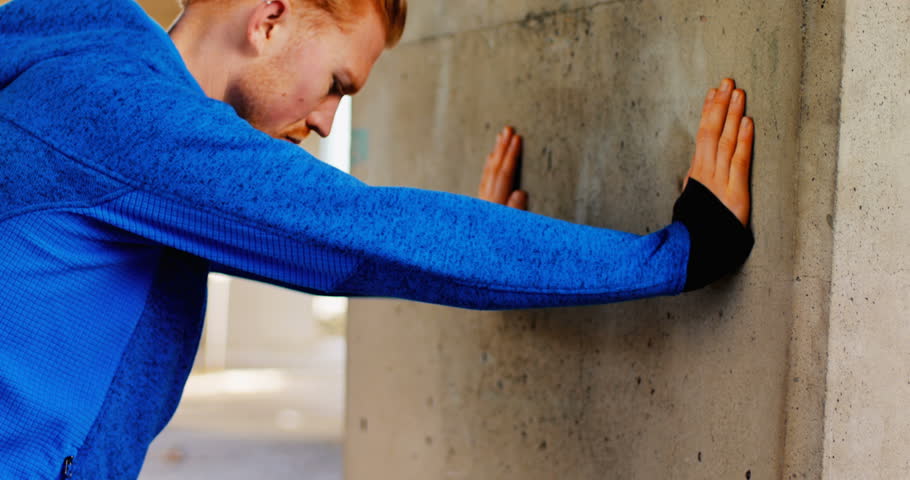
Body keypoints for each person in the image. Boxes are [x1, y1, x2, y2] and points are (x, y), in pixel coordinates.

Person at [0, 0, 754, 477]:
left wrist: (483, 243)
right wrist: (684, 252)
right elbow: (363, 236)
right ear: (269, 18)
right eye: (338, 84)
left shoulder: (89, 84)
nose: (328, 120)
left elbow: (354, 236)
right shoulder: (131, 118)